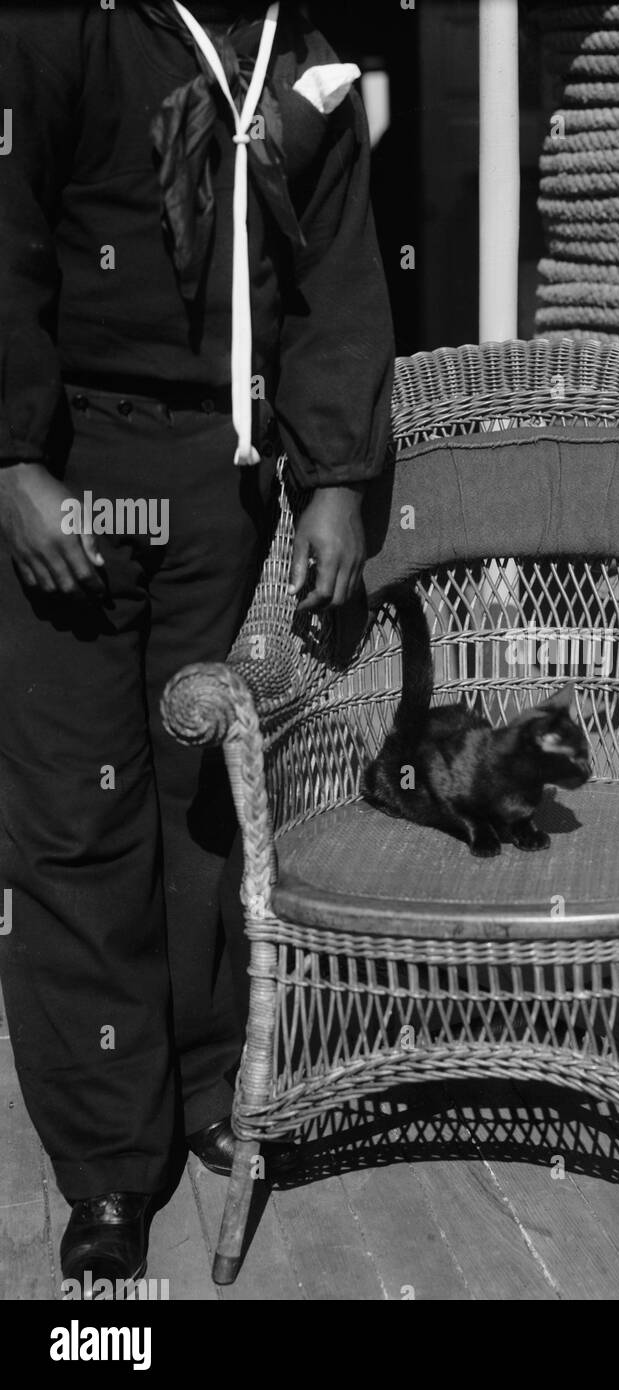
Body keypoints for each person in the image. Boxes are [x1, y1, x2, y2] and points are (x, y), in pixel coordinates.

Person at [0, 0, 394, 1293]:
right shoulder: (60, 30)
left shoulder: (302, 48)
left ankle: (213, 1079)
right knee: (77, 811)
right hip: (71, 463)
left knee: (204, 800)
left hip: (217, 477)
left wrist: (334, 470)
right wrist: (10, 457)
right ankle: (109, 1158)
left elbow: (336, 271)